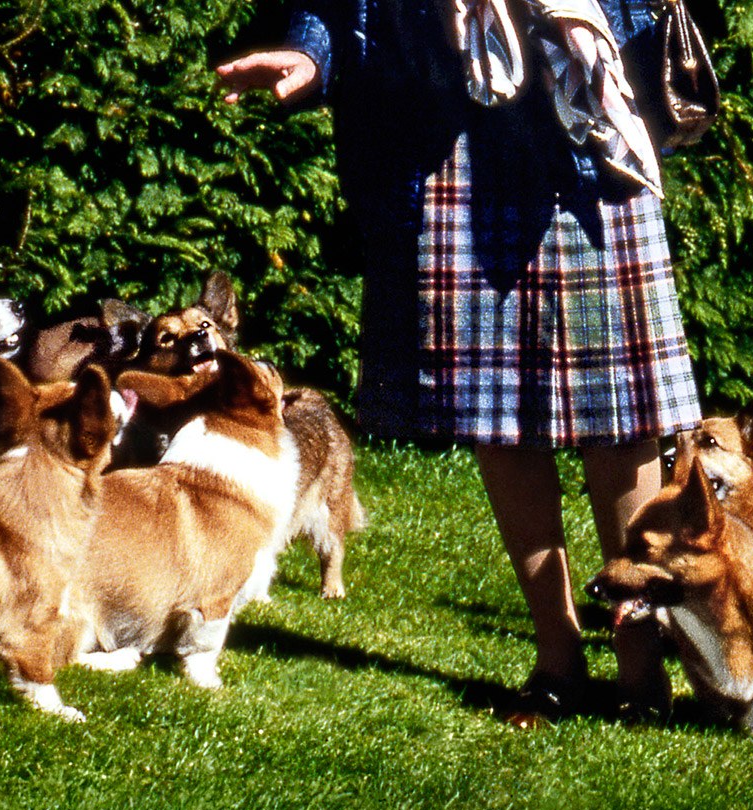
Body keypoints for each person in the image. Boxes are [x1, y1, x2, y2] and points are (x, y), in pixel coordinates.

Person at [215, 0, 702, 720]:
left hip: (586, 121)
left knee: (622, 410)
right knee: (494, 410)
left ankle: (640, 669)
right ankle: (557, 656)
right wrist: (312, 52)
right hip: (447, 139)